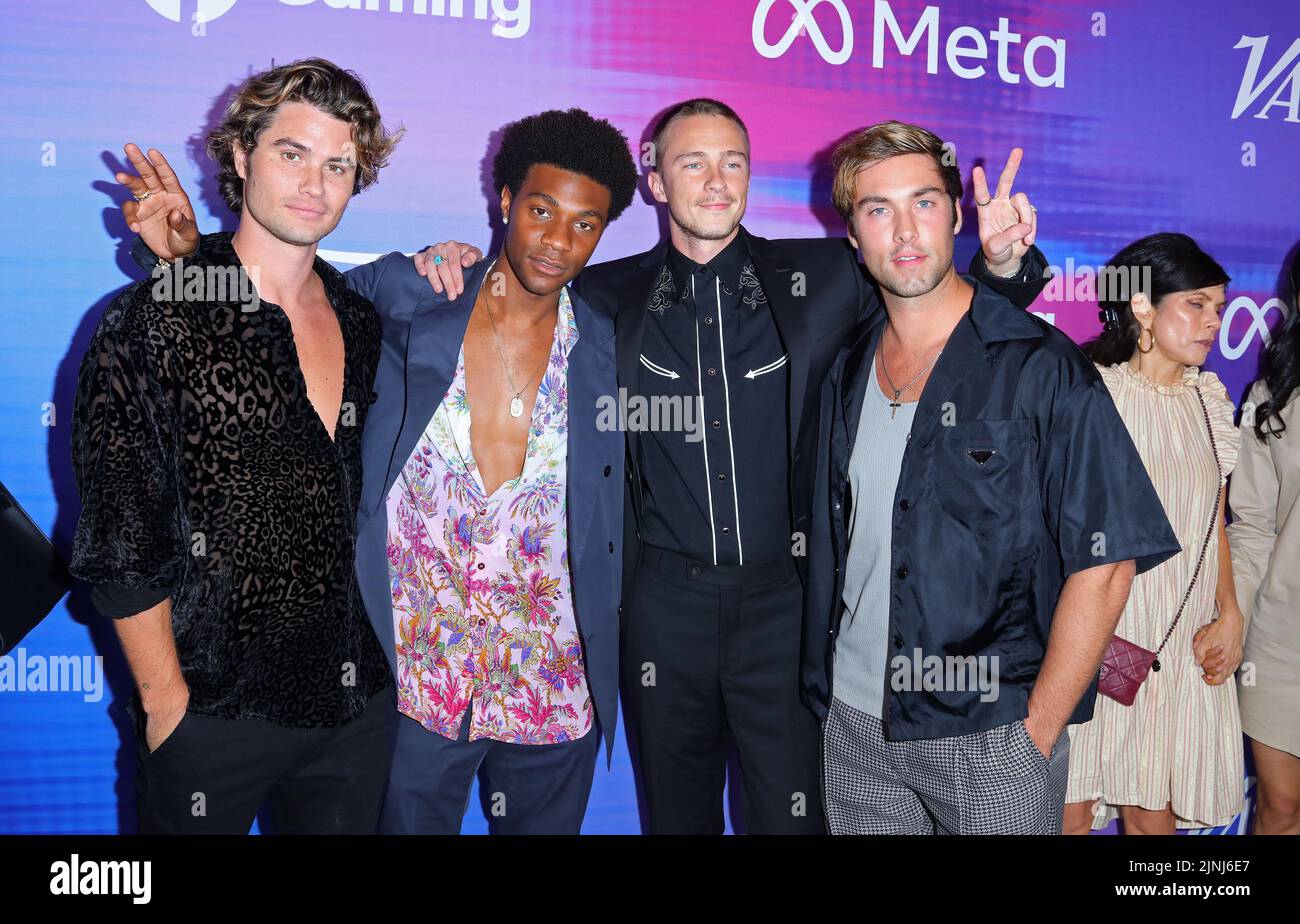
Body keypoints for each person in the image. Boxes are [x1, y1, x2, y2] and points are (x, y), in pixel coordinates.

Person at [413, 99, 1049, 834]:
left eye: (733, 163)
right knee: (676, 819)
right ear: (655, 182)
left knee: (791, 820)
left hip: (790, 605)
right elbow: (518, 284)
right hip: (659, 610)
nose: (717, 181)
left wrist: (1003, 266)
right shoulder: (601, 293)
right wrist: (449, 259)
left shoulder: (827, 277)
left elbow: (941, 318)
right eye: (693, 163)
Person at [118, 109, 637, 834]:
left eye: (586, 224)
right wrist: (185, 263)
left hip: (550, 686)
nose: (557, 241)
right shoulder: (411, 293)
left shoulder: (613, 351)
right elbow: (273, 305)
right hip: (414, 681)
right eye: (542, 210)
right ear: (505, 201)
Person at [802, 121, 1181, 835]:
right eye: (878, 210)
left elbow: (1107, 563)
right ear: (853, 233)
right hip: (853, 725)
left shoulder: (1040, 364)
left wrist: (1034, 735)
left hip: (991, 731)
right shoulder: (848, 365)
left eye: (925, 202)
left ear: (955, 214)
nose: (905, 230)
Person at [74, 58, 400, 834]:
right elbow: (122, 535)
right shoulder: (156, 314)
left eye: (339, 165)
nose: (315, 184)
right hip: (211, 711)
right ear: (244, 156)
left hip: (352, 706)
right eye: (292, 153)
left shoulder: (359, 319)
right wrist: (167, 705)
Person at [1062, 233, 1245, 835]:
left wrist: (1230, 612)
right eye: (1195, 304)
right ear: (1142, 306)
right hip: (1099, 636)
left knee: (1152, 819)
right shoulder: (1092, 392)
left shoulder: (1209, 400)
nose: (1212, 321)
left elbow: (1210, 523)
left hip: (1179, 640)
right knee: (1070, 807)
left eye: (1218, 307)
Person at [1229, 254, 1300, 835]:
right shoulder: (1274, 396)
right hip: (1283, 643)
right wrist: (1235, 622)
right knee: (1280, 809)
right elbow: (1251, 525)